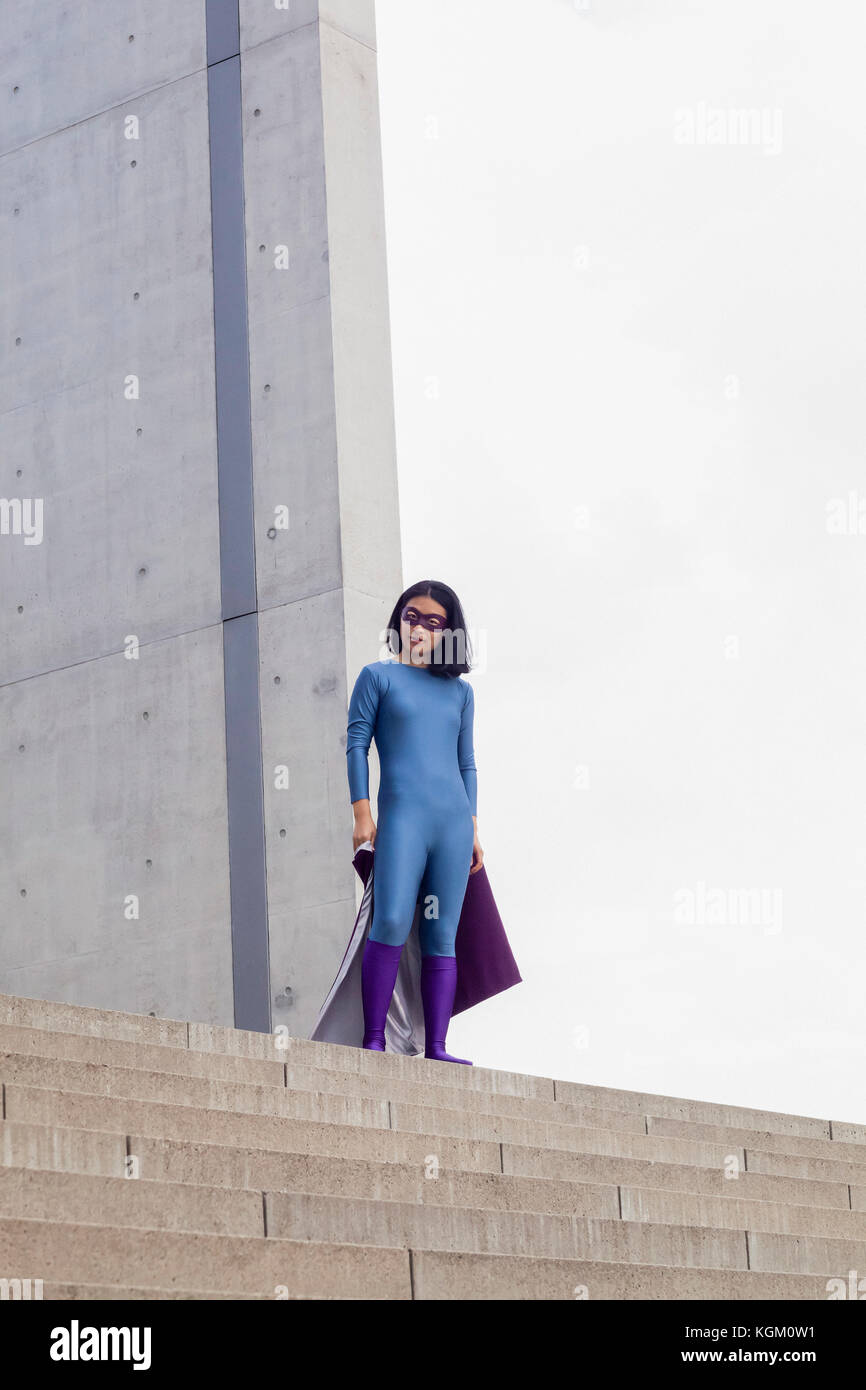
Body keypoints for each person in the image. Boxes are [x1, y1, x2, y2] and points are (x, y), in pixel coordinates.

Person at [346, 581, 483, 1064]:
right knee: (390, 918)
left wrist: (473, 826)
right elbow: (356, 744)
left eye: (433, 621)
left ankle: (437, 1048)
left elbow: (466, 763)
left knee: (441, 933)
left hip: (453, 825)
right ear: (397, 620)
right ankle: (374, 1040)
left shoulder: (460, 693)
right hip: (402, 818)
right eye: (411, 615)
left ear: (449, 632)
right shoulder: (377, 677)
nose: (419, 627)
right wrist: (362, 812)